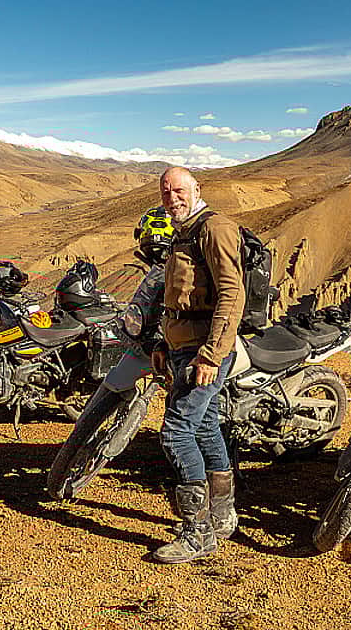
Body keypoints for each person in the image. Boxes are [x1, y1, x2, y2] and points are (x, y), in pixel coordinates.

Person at [150, 166, 245, 564]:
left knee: (176, 432)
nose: (173, 198)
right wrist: (161, 338)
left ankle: (198, 533)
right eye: (167, 192)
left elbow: (231, 293)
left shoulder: (214, 228)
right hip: (181, 345)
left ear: (197, 189)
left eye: (180, 191)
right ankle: (222, 515)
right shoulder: (183, 231)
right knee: (204, 426)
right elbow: (178, 294)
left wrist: (211, 354)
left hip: (204, 350)